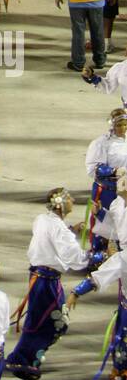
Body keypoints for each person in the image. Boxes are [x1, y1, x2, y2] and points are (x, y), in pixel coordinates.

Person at [6, 188, 89, 380]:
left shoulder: (42, 219)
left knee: (38, 320)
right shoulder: (58, 228)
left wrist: (70, 230)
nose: (74, 200)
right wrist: (98, 257)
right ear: (60, 203)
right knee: (55, 322)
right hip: (46, 281)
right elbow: (75, 258)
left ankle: (25, 359)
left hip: (40, 276)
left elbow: (51, 237)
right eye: (69, 198)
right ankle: (23, 358)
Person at [68, 225, 127, 380]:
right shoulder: (123, 258)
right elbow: (98, 277)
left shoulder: (123, 258)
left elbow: (97, 278)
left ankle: (121, 377)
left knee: (123, 347)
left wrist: (76, 292)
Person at [84, 107, 127, 266]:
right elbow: (93, 169)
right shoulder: (101, 143)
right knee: (101, 224)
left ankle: (123, 258)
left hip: (124, 192)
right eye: (119, 125)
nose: (123, 128)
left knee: (123, 223)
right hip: (106, 191)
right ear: (112, 125)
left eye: (125, 124)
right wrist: (114, 171)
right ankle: (96, 258)